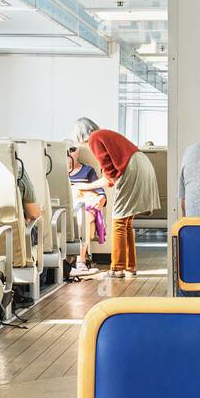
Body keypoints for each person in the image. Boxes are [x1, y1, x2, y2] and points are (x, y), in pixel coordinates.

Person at [71, 117, 158, 278]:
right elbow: (109, 178)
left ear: (80, 134)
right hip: (142, 164)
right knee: (126, 221)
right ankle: (129, 266)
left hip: (131, 168)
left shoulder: (95, 138)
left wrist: (86, 186)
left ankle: (117, 268)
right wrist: (87, 186)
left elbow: (109, 172)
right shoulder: (105, 135)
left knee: (118, 220)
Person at [66, 146, 101, 277]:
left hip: (85, 208)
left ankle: (81, 260)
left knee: (82, 217)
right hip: (67, 208)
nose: (69, 153)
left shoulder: (88, 171)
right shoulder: (56, 171)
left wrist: (100, 197)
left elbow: (100, 192)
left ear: (78, 153)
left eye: (72, 149)